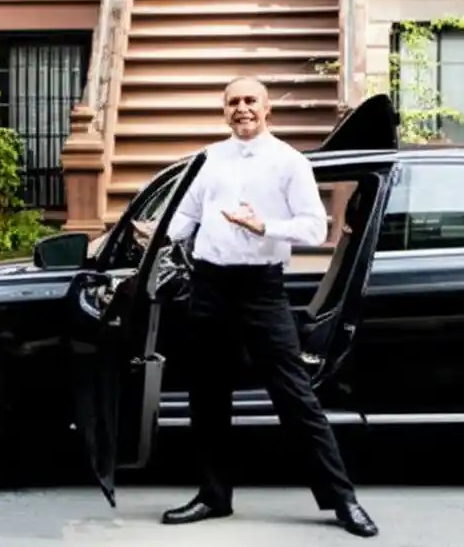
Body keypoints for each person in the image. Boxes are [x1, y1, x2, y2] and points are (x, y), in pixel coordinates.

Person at [159, 76, 379, 538]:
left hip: (261, 289)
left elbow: (315, 229)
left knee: (295, 396)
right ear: (224, 110)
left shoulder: (289, 162)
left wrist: (264, 227)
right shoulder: (208, 159)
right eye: (233, 102)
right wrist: (156, 233)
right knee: (208, 397)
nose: (242, 108)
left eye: (250, 101)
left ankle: (343, 501)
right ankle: (213, 496)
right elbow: (188, 215)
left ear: (266, 111)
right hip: (210, 286)